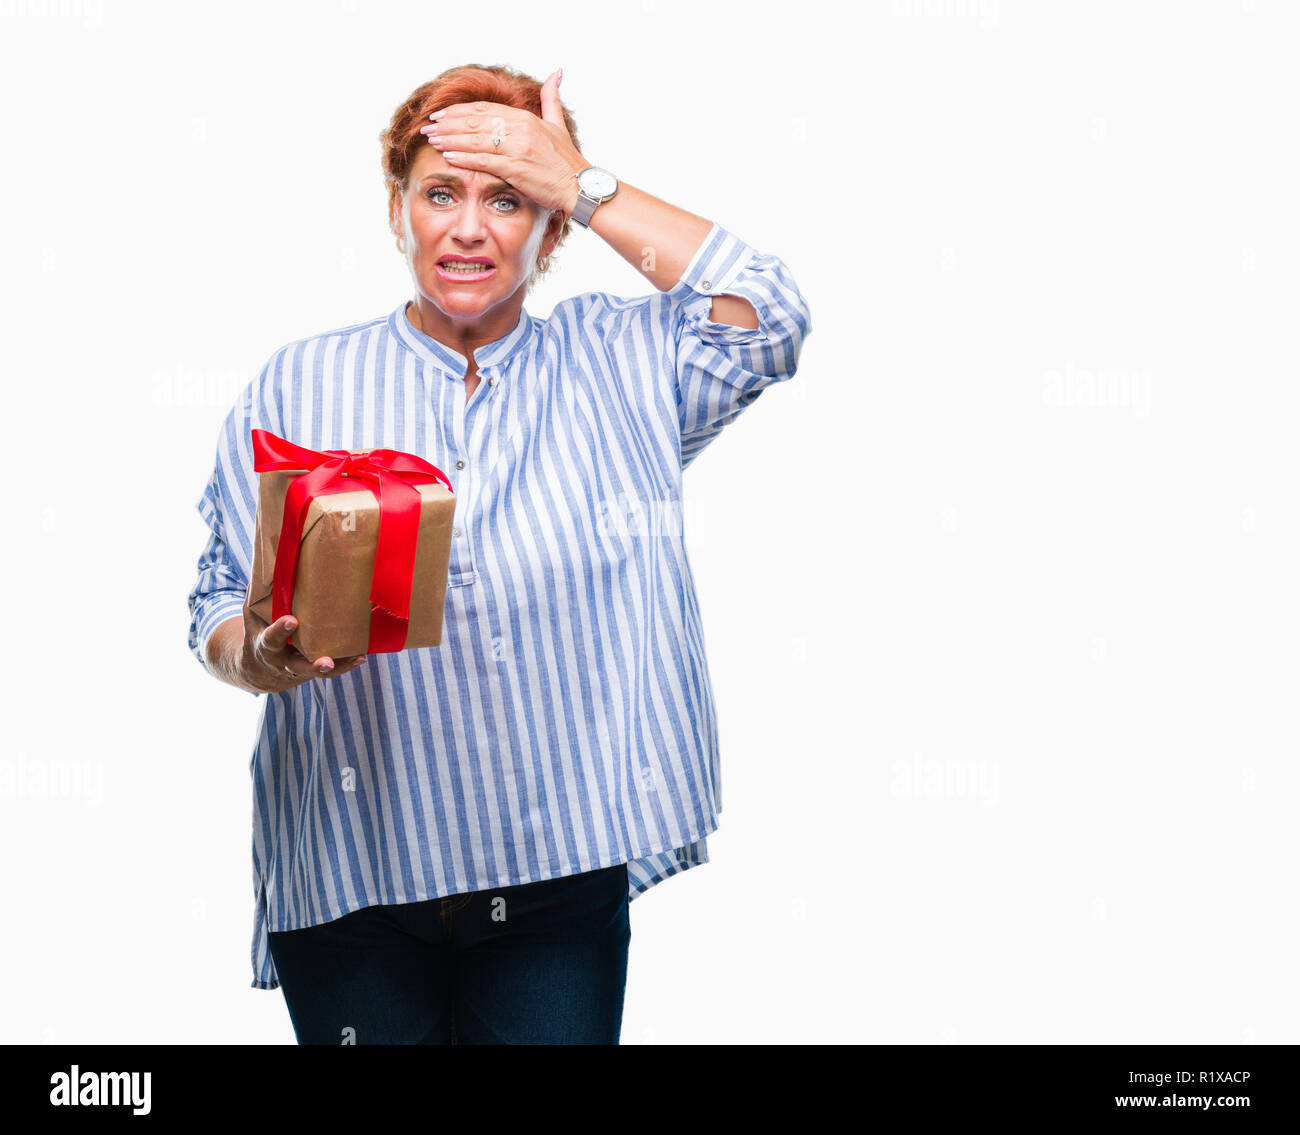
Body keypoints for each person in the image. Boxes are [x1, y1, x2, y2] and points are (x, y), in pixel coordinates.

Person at [186, 63, 811, 1045]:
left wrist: (584, 180)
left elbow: (768, 320)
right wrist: (260, 655)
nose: (469, 227)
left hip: (553, 878)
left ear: (553, 230)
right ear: (398, 211)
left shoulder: (626, 363)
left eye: (509, 199)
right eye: (440, 192)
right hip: (353, 880)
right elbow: (219, 600)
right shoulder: (299, 381)